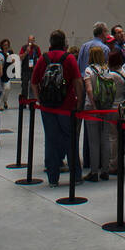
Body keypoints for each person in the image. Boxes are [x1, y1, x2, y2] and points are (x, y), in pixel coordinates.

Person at [31, 30, 84, 186]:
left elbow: (34, 82)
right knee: (70, 140)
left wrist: (39, 100)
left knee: (51, 140)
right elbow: (77, 82)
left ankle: (53, 178)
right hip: (66, 106)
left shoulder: (43, 59)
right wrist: (79, 102)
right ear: (64, 43)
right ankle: (76, 176)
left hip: (48, 108)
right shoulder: (69, 59)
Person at [83, 45, 115, 181]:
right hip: (106, 107)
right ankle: (106, 170)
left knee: (93, 141)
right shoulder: (107, 70)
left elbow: (89, 90)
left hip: (92, 107)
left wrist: (94, 106)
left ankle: (94, 171)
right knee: (105, 138)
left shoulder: (89, 70)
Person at [0, 38, 14, 111]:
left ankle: (5, 101)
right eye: (4, 45)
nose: (6, 46)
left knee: (7, 89)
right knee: (2, 90)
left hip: (8, 73)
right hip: (1, 73)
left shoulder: (10, 52)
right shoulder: (0, 53)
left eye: (7, 45)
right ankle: (0, 105)